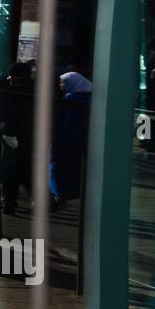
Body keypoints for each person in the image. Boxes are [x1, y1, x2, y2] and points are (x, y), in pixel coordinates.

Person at [49, 71, 93, 211]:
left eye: (63, 83)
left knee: (55, 167)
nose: (61, 86)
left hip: (65, 140)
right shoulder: (90, 99)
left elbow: (62, 123)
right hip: (82, 140)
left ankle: (58, 196)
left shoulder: (70, 100)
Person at [0, 62, 34, 216]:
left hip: (12, 135)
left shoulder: (12, 90)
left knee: (12, 170)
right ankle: (9, 202)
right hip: (25, 135)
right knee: (19, 170)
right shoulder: (32, 89)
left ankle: (9, 203)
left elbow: (9, 114)